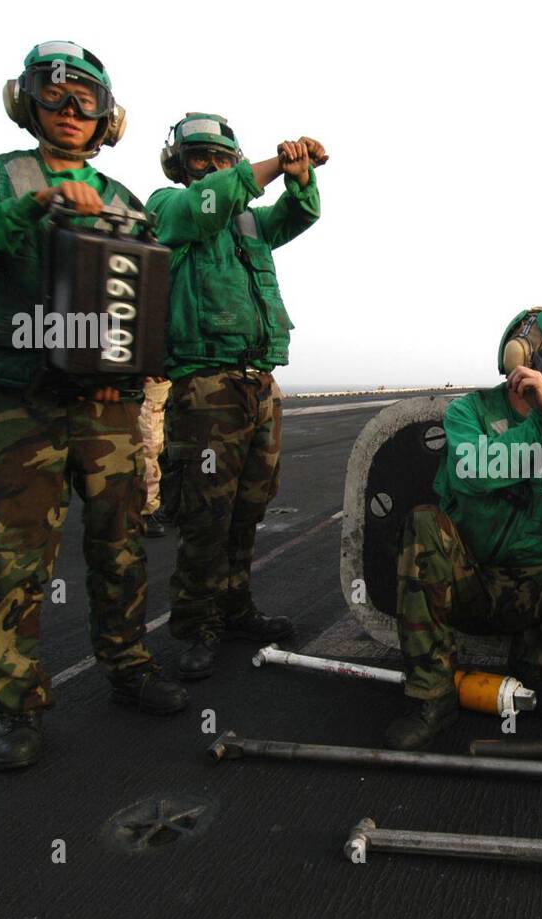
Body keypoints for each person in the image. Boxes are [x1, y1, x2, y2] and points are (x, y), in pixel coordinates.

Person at [0, 41, 188, 770]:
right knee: (15, 559)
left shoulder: (124, 200)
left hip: (105, 405)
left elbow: (147, 299)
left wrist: (137, 371)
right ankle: (16, 706)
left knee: (119, 544)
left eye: (87, 99)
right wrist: (38, 204)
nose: (71, 111)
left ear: (108, 116)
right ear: (27, 103)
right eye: (54, 96)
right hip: (23, 399)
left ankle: (128, 664)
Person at [391, 308, 542, 750]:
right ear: (524, 360)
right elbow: (477, 469)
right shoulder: (470, 412)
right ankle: (432, 697)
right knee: (423, 522)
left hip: (531, 584)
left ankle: (529, 669)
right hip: (467, 578)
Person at [147, 115, 325, 678]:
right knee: (205, 512)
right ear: (180, 165)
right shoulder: (167, 208)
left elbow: (300, 215)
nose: (213, 167)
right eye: (199, 157)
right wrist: (268, 167)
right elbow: (205, 202)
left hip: (258, 382)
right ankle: (196, 624)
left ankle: (234, 605)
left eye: (222, 158)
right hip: (205, 385)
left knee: (249, 505)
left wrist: (300, 176)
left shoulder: (249, 222)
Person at [139, 378, 171, 537]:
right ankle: (146, 509)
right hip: (153, 381)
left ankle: (170, 500)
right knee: (150, 444)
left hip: (176, 375)